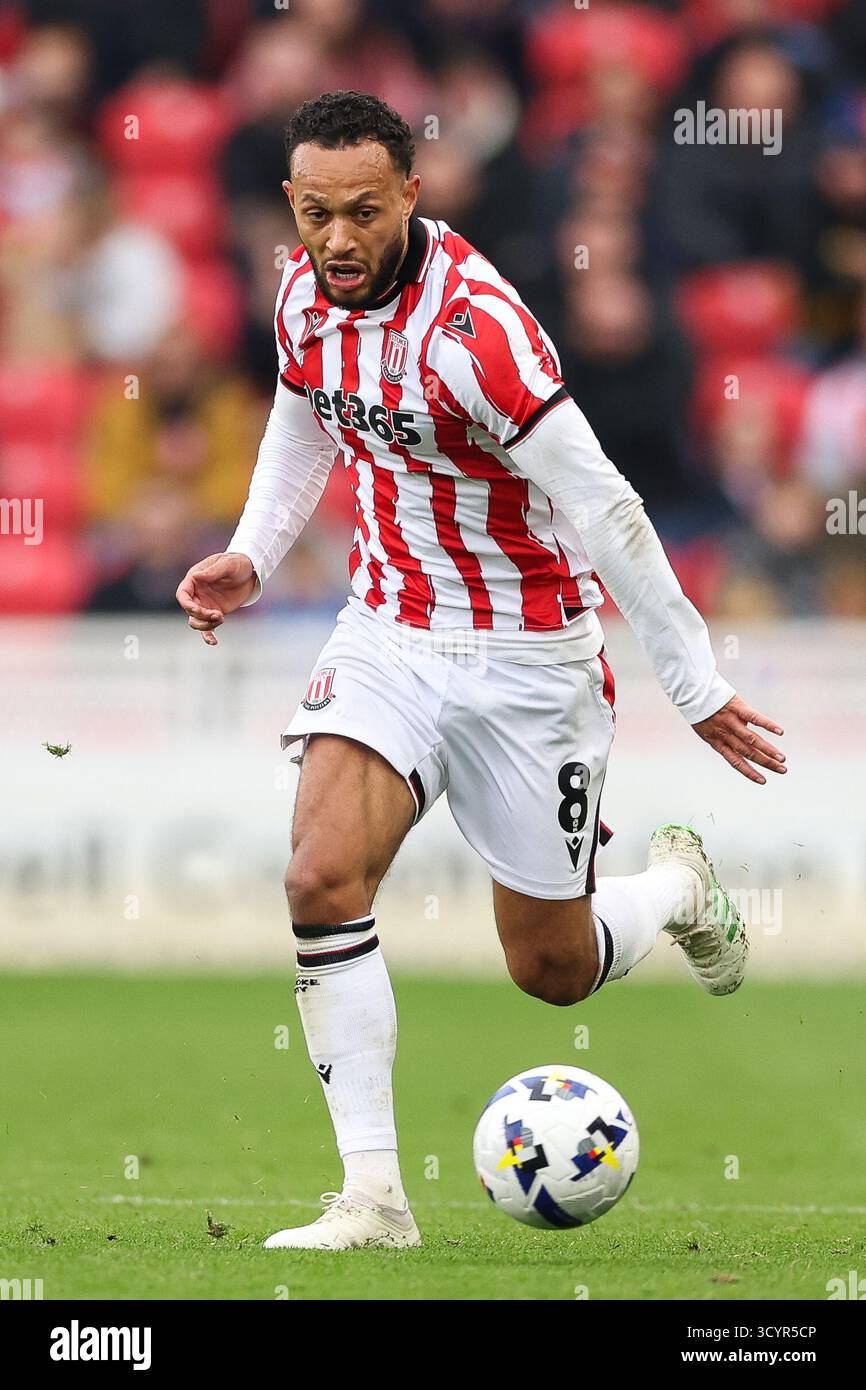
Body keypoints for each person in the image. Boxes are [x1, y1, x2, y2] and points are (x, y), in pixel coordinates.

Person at [176, 91, 786, 1251]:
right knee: (317, 876)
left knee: (550, 970)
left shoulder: (478, 333)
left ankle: (674, 891)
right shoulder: (305, 294)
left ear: (412, 193)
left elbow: (603, 506)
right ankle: (373, 1197)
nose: (338, 239)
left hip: (527, 655)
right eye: (315, 214)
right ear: (292, 208)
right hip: (390, 627)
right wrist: (254, 550)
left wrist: (692, 682)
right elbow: (303, 421)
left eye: (363, 210)